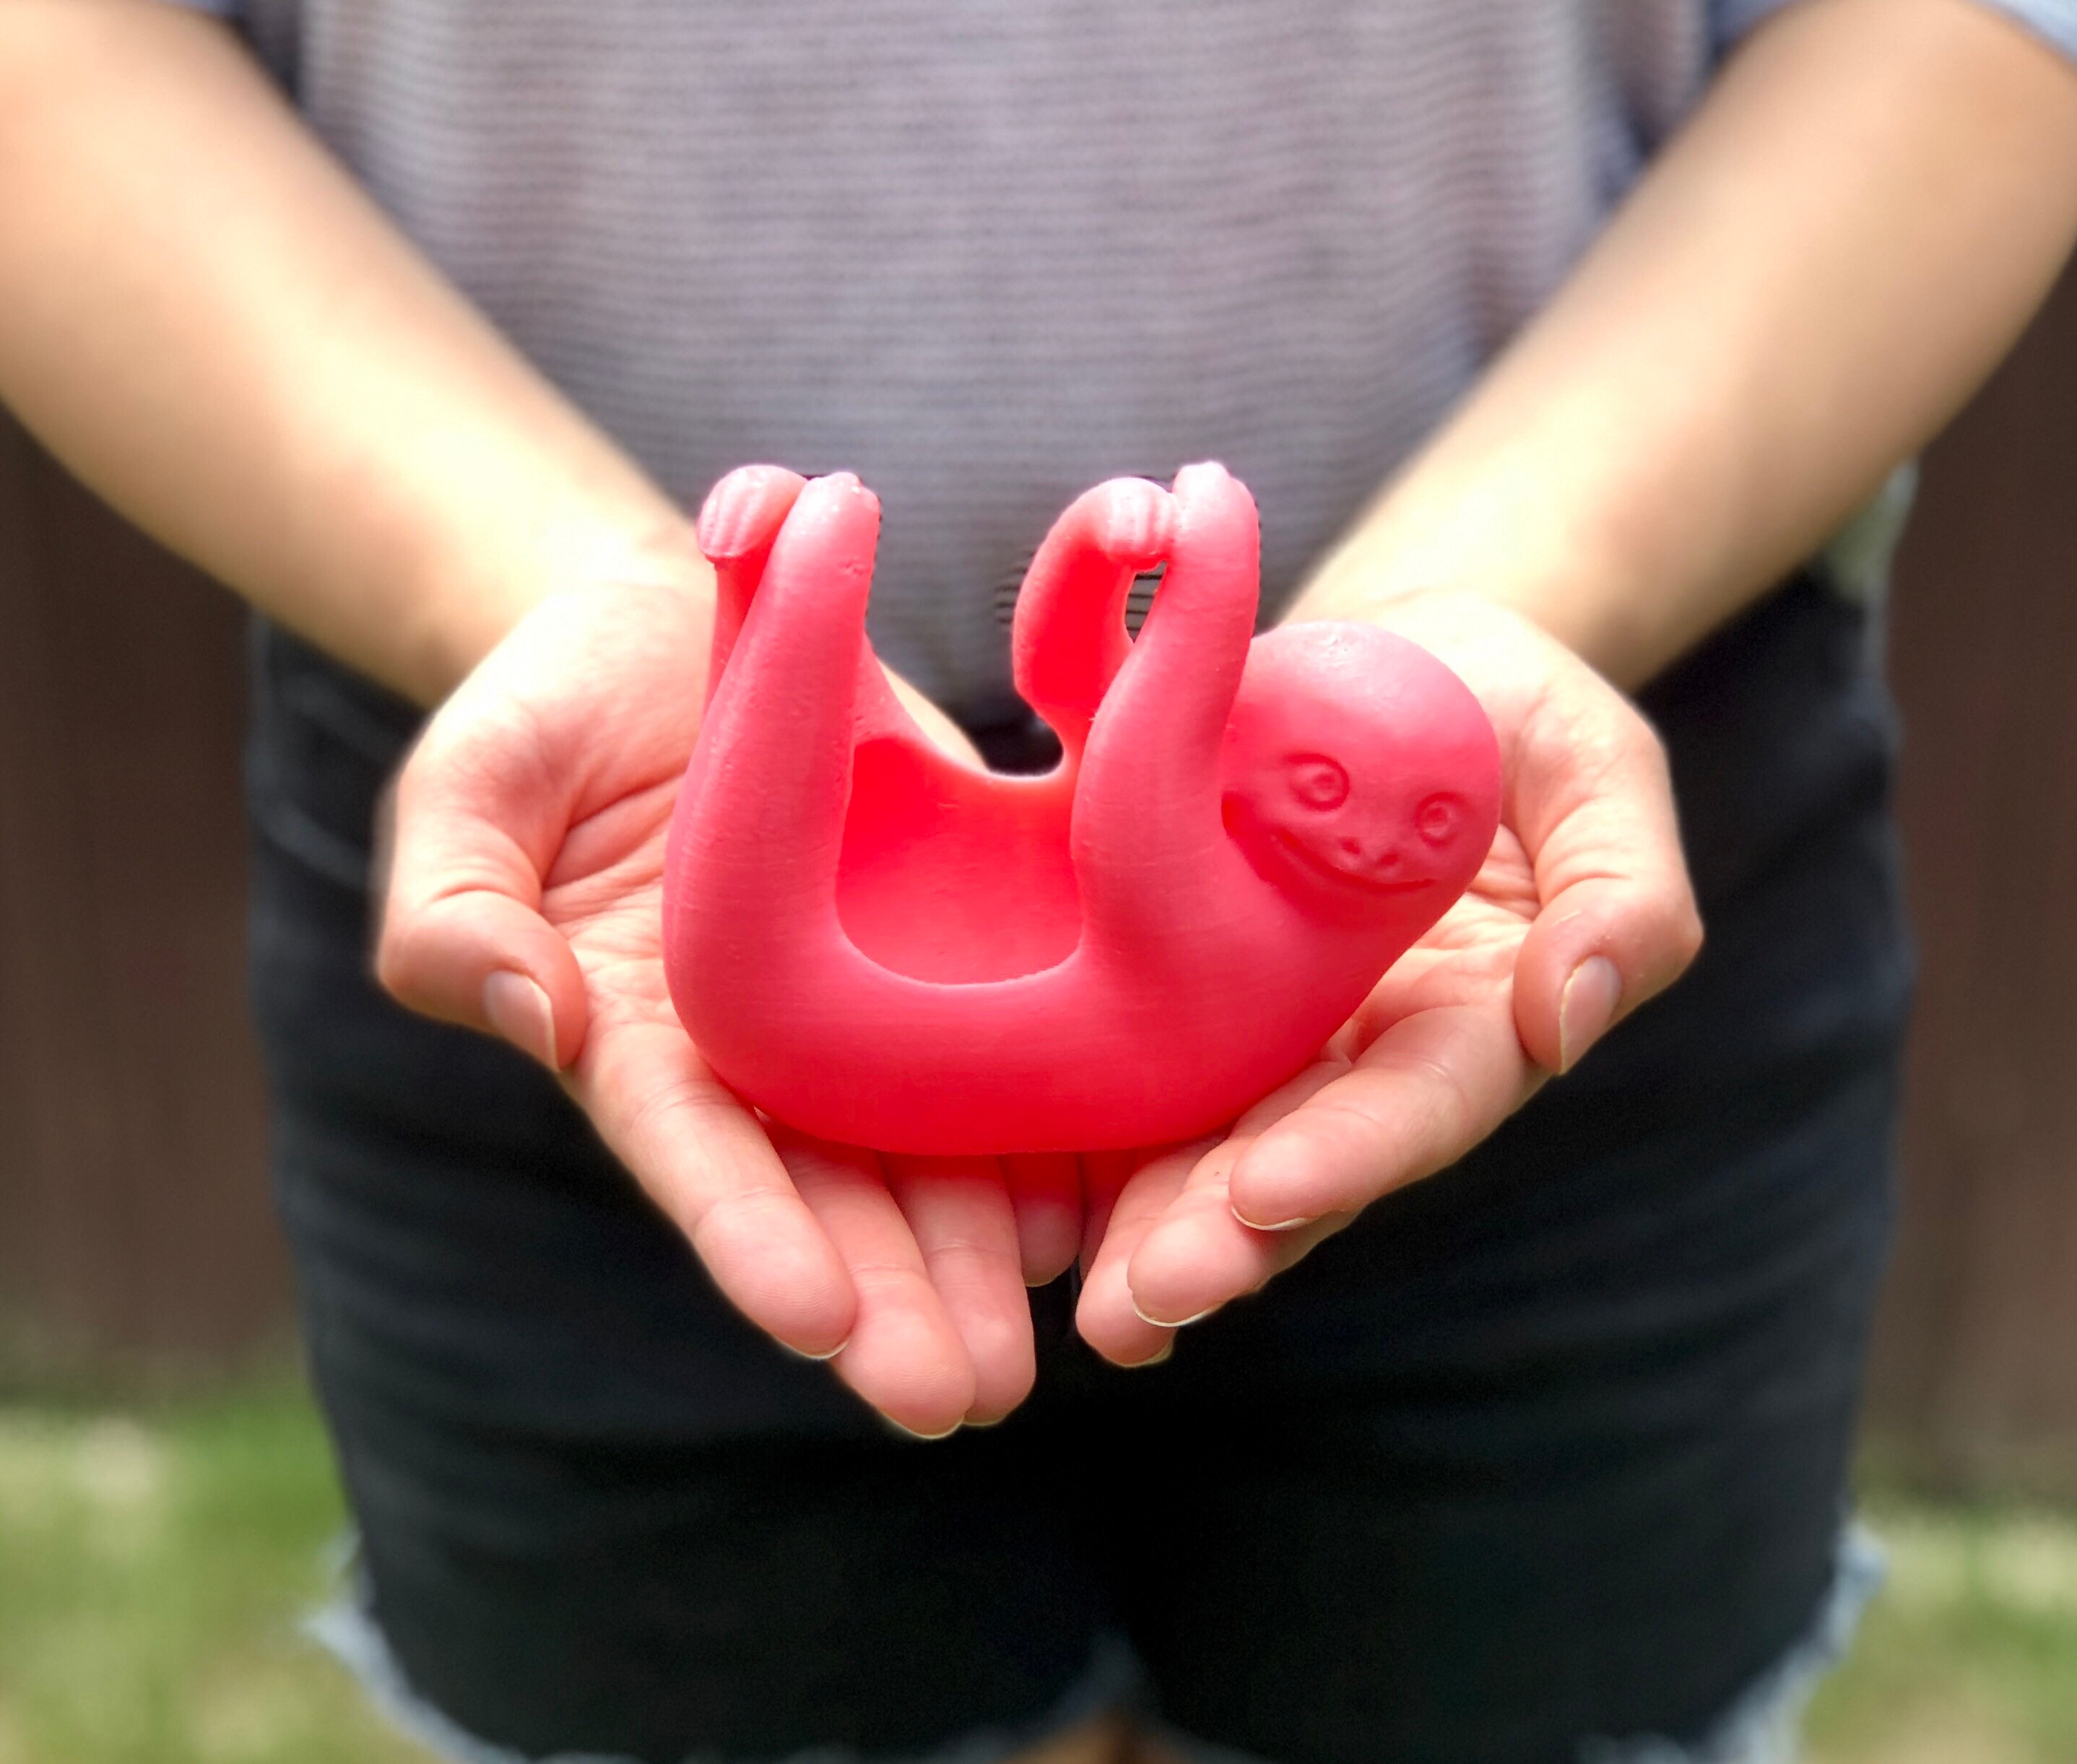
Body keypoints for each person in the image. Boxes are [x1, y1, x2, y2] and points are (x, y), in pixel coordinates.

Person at [3, 1, 2075, 1760]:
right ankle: (775, 616)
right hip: (584, 819)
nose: (1351, 832)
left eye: (1375, 821)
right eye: (1338, 786)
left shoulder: (1265, 916)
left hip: (1598, 796)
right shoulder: (1262, 896)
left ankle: (785, 609)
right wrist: (607, 599)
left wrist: (1224, 611)